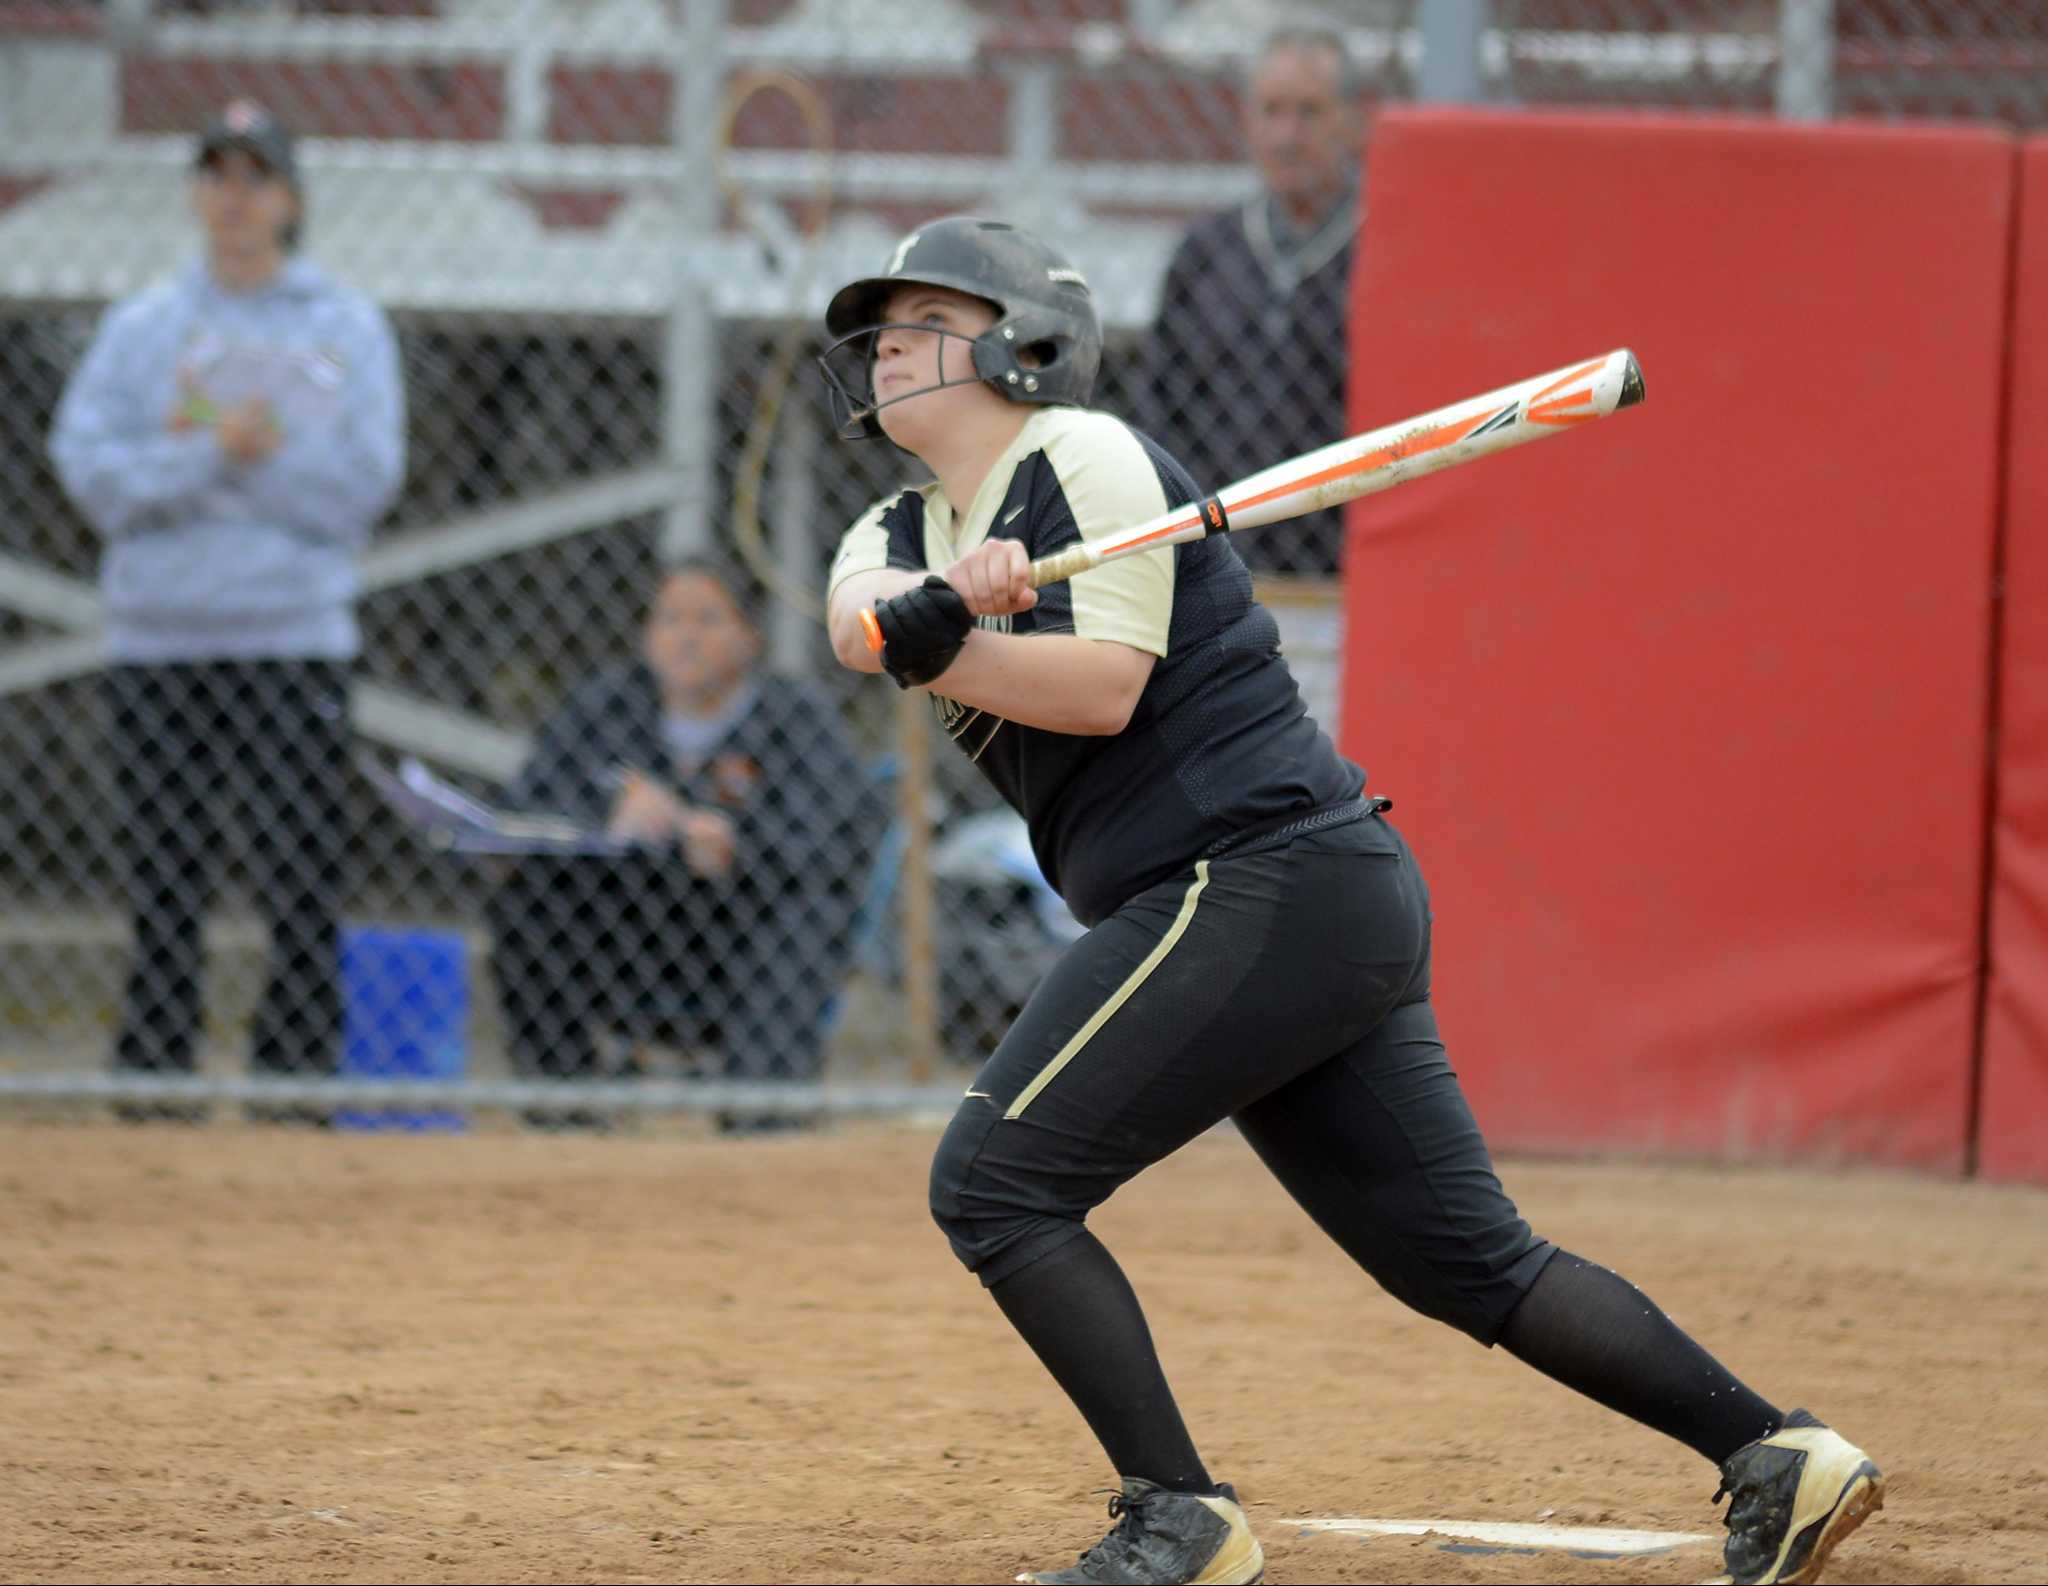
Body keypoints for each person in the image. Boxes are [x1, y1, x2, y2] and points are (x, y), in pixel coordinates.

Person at [817, 215, 1884, 1586]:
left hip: (1253, 878)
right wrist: (936, 609)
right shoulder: (894, 523)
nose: (886, 339)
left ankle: (1178, 1516)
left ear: (1018, 348)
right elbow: (857, 621)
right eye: (881, 321)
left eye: (923, 312)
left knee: (993, 1181)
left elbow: (1102, 690)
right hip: (1296, 901)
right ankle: (1778, 1454)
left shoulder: (1082, 457)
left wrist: (953, 639)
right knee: (1463, 1259)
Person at [50, 100, 406, 1125]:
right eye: (219, 177)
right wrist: (208, 454)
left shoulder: (346, 326)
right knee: (164, 877)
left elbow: (362, 485)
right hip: (161, 639)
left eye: (257, 178)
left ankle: (293, 1088)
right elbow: (88, 471)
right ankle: (153, 1084)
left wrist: (247, 461)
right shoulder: (143, 328)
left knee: (299, 873)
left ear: (291, 198)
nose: (236, 199)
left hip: (293, 639)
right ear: (198, 195)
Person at [486, 557, 882, 1132]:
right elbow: (526, 806)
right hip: (625, 935)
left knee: (810, 911)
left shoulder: (794, 717)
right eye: (669, 619)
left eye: (708, 619)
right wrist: (611, 809)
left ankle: (763, 1120)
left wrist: (738, 846)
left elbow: (839, 837)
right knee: (524, 901)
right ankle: (562, 1112)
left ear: (750, 636)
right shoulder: (607, 707)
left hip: (745, 938)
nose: (686, 637)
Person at [1135, 27, 1366, 577]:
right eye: (1272, 111)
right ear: (1248, 122)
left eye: (1310, 112)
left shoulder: (1386, 251)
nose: (1288, 135)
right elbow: (1161, 411)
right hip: (1219, 556)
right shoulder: (1205, 253)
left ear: (1354, 121)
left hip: (1346, 560)